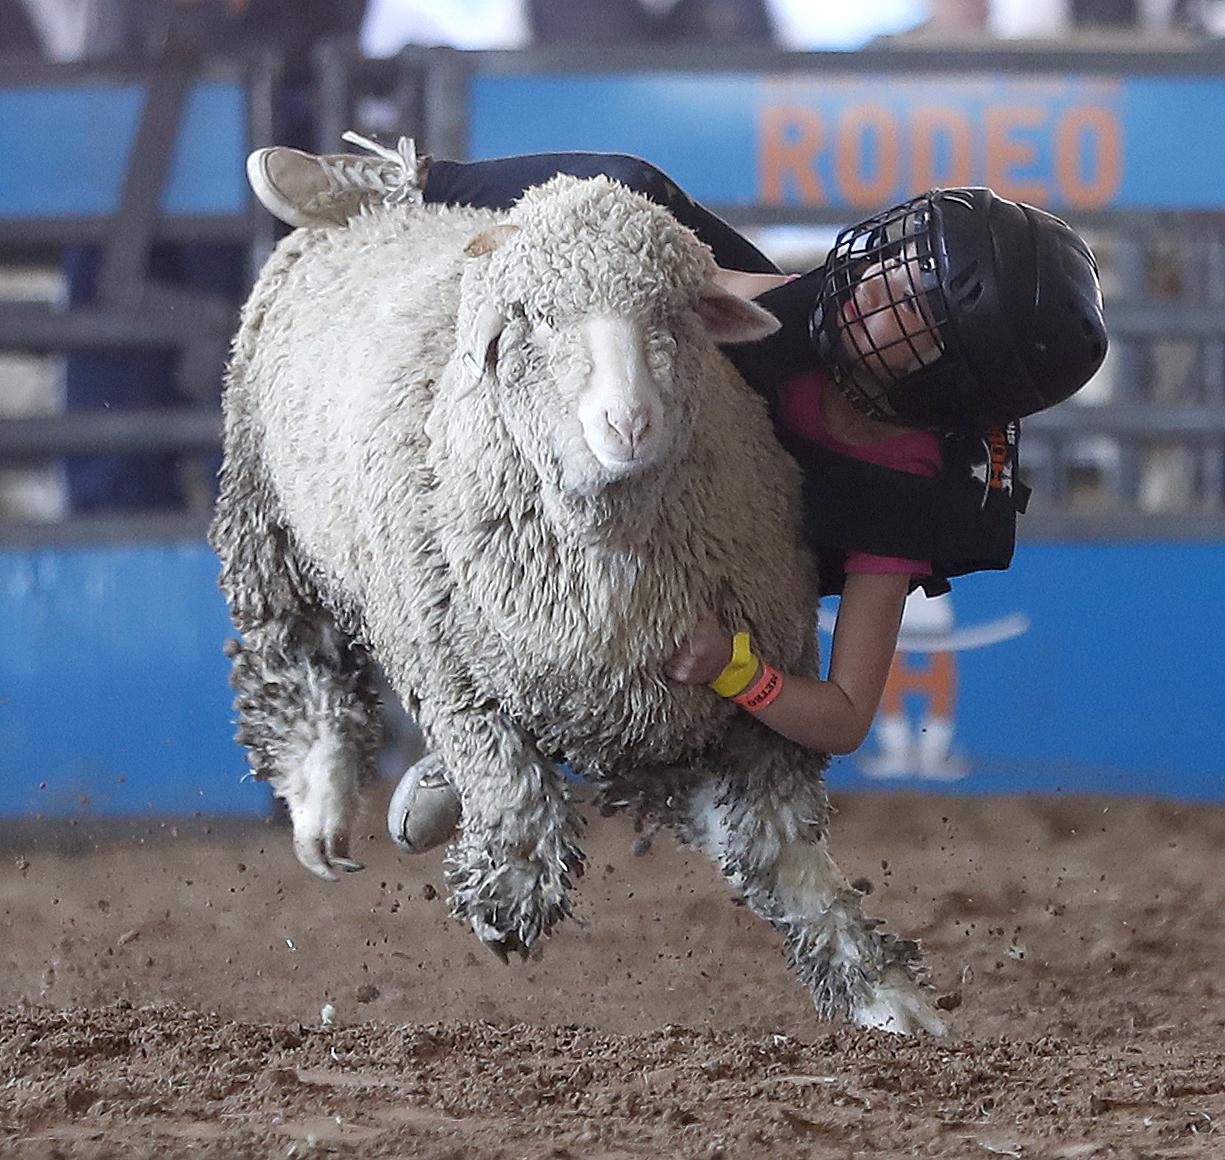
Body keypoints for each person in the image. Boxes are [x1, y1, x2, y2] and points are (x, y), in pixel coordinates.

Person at [246, 139, 1106, 854]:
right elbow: (635, 279)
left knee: (652, 647)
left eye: (908, 307)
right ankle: (399, 183)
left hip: (721, 582)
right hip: (643, 491)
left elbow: (844, 718)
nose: (876, 281)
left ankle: (514, 742)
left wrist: (739, 669)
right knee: (628, 186)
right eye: (900, 256)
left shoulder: (903, 501)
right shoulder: (807, 308)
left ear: (943, 379)